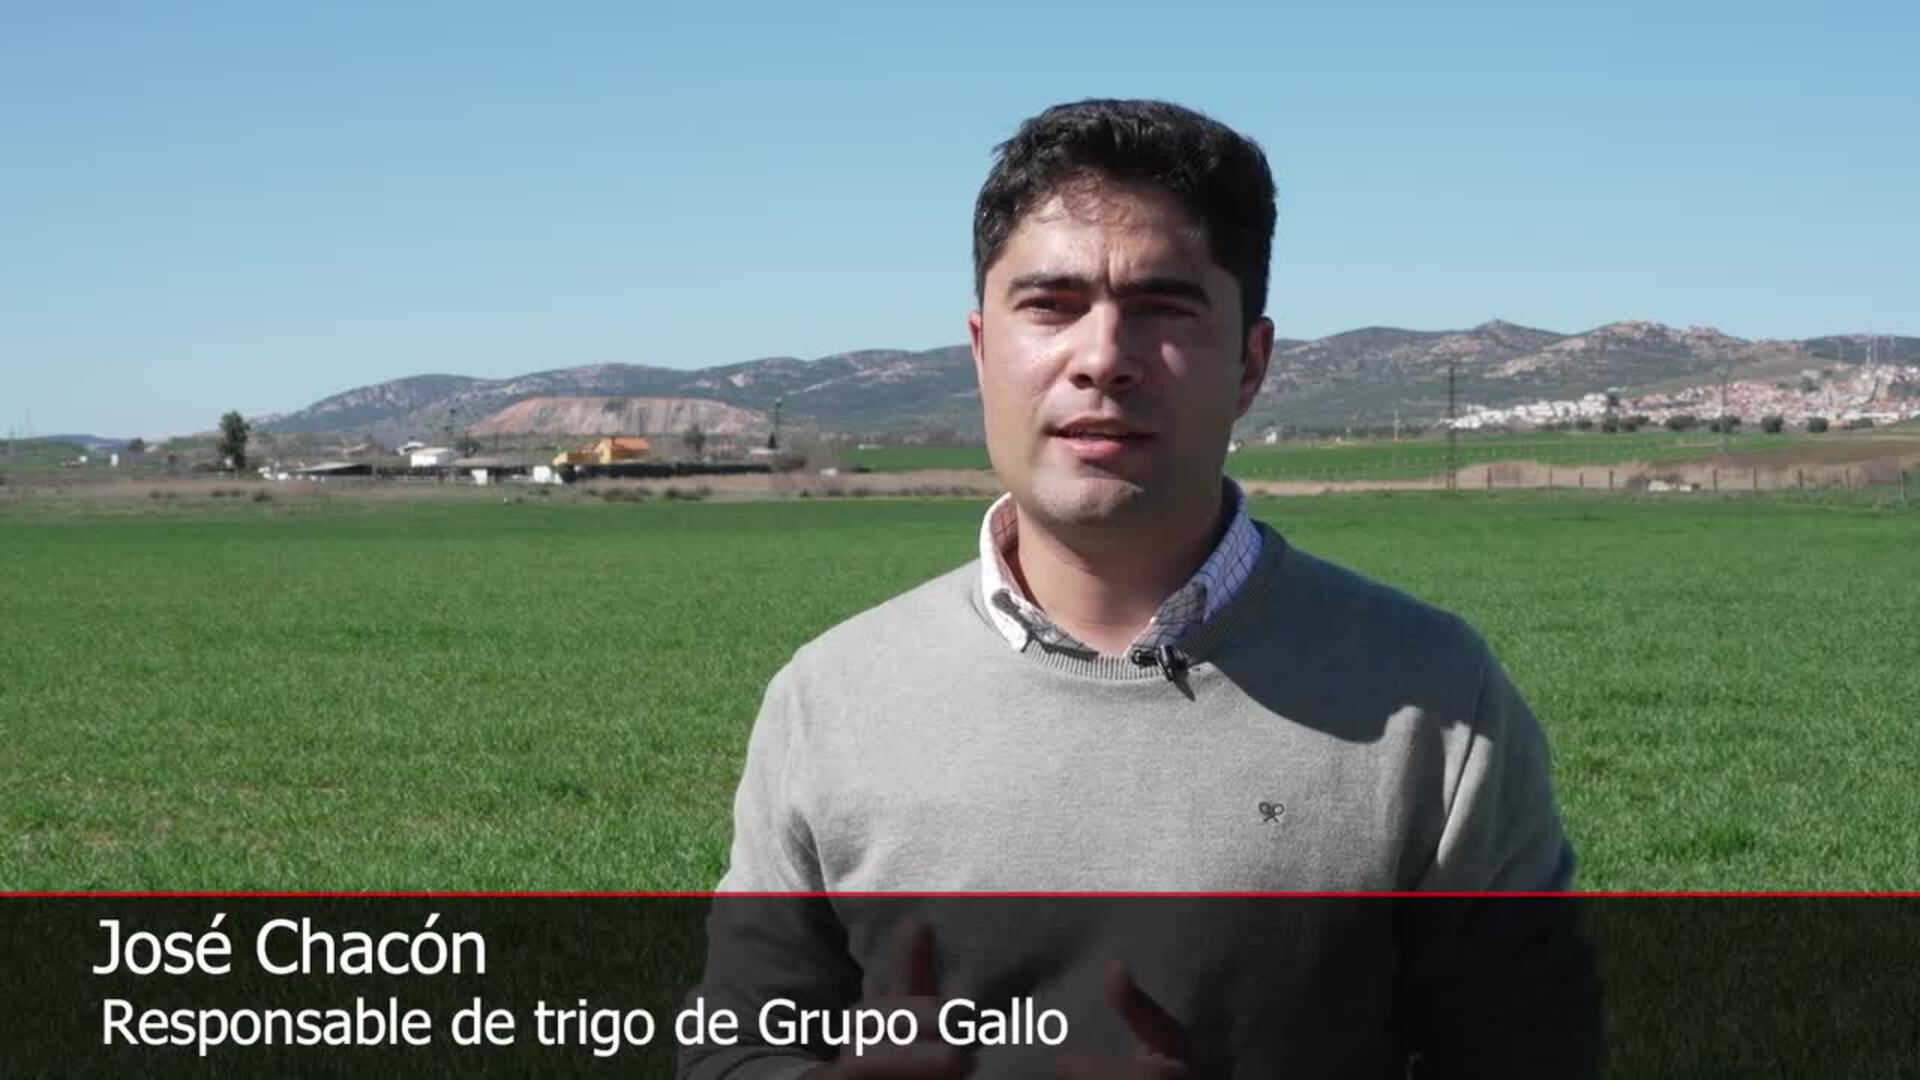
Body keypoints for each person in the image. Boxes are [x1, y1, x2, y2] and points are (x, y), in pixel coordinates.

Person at [682, 99, 1600, 1079]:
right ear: (983, 348)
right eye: (1050, 305)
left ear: (1250, 363)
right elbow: (728, 1055)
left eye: (1164, 308)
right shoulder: (831, 699)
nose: (1103, 358)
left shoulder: (1433, 703)